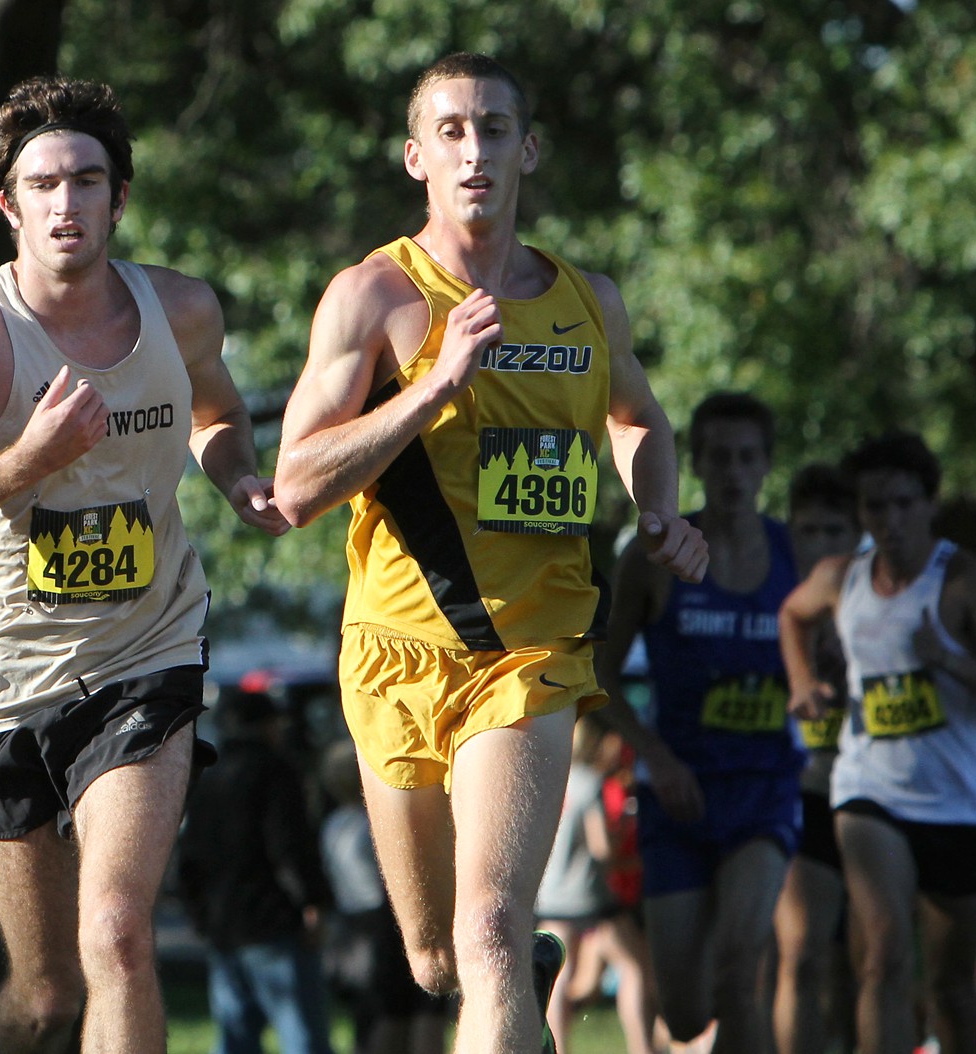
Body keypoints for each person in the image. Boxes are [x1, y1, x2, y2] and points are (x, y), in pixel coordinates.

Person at [274, 52, 707, 1054]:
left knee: (490, 930)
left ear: (529, 149)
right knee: (436, 957)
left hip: (531, 651)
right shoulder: (373, 296)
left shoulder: (587, 301)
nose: (475, 150)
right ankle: (513, 992)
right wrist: (432, 387)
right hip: (395, 651)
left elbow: (638, 418)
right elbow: (294, 485)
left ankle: (510, 971)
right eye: (452, 131)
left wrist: (658, 511)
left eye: (495, 129)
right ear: (415, 157)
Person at [0, 72, 287, 1054]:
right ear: (8, 204)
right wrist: (24, 462)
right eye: (42, 184)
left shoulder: (182, 310)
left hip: (148, 650)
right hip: (8, 674)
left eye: (86, 181)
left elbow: (218, 411)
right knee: (45, 995)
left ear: (118, 197)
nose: (66, 203)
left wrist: (236, 478)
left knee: (118, 934)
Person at [779, 430, 976, 1054]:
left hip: (961, 803)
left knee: (952, 987)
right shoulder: (841, 578)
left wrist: (948, 659)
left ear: (929, 504)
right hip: (869, 793)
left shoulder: (967, 581)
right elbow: (793, 614)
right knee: (884, 955)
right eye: (876, 506)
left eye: (903, 503)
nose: (890, 520)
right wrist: (803, 680)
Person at [591, 391, 803, 1053]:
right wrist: (654, 755)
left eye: (747, 458)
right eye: (720, 458)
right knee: (684, 1015)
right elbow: (598, 675)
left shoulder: (797, 557)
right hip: (678, 797)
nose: (734, 472)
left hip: (764, 790)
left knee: (741, 971)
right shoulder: (655, 557)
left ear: (766, 464)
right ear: (698, 463)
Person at [176, 691, 334, 1054]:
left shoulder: (206, 777)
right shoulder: (276, 771)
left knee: (235, 1035)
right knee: (302, 1035)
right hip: (274, 919)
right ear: (267, 726)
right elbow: (289, 845)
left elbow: (189, 855)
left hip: (223, 923)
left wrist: (199, 914)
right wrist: (312, 900)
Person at [773, 462, 860, 1054]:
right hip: (795, 793)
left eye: (836, 531)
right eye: (809, 531)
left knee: (866, 963)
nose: (822, 544)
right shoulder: (771, 599)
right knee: (800, 956)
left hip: (872, 795)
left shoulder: (877, 602)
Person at [535, 717, 658, 1054]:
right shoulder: (591, 783)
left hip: (552, 894)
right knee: (634, 967)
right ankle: (643, 1046)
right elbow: (601, 848)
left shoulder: (554, 779)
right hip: (589, 896)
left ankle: (558, 1046)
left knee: (558, 974)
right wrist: (624, 838)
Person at [317, 740, 448, 1054]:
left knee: (374, 1010)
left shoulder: (334, 824)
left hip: (352, 922)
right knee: (416, 1006)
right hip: (385, 921)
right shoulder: (373, 825)